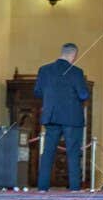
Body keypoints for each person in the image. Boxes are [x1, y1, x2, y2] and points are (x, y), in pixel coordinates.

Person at [34, 42, 90, 191]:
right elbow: (83, 94)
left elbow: (38, 92)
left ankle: (42, 187)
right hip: (72, 118)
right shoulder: (76, 72)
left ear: (62, 52)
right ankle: (74, 187)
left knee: (48, 152)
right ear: (74, 55)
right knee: (73, 152)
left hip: (51, 116)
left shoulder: (44, 70)